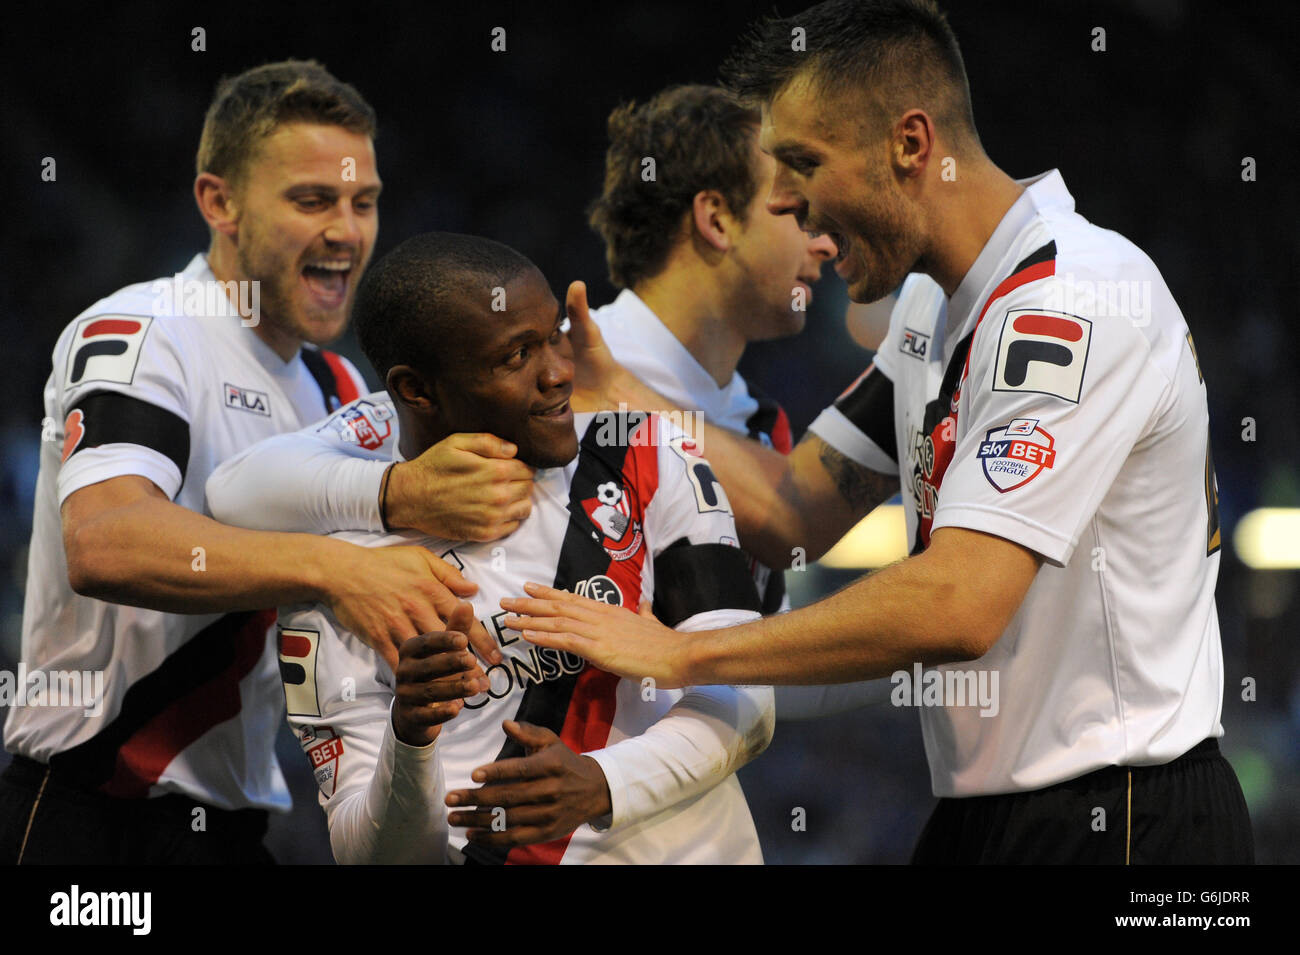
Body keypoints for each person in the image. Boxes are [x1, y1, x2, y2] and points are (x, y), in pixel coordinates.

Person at [502, 0, 1255, 864]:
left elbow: (957, 600)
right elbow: (797, 509)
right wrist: (621, 390)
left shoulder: (1069, 299)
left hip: (1124, 816)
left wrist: (682, 653)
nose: (785, 200)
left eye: (803, 163)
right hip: (990, 817)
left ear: (910, 144)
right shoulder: (937, 309)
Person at [207, 83, 877, 719]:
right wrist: (397, 491)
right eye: (794, 211)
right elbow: (241, 485)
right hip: (502, 813)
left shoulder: (762, 430)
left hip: (670, 815)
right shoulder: (547, 375)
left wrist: (923, 660)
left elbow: (749, 670)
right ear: (715, 218)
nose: (823, 238)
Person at [0, 61, 506, 865]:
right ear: (219, 201)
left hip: (237, 830)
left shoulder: (341, 388)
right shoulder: (148, 328)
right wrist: (336, 567)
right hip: (94, 814)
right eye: (312, 200)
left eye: (363, 202)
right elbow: (106, 539)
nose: (347, 230)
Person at [221, 232, 774, 864]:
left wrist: (604, 784)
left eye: (555, 336)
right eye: (517, 356)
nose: (561, 372)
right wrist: (411, 736)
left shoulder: (645, 456)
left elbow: (750, 694)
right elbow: (373, 858)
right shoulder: (342, 579)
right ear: (417, 390)